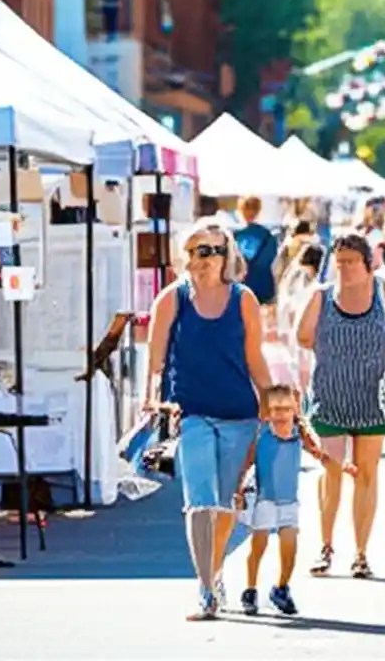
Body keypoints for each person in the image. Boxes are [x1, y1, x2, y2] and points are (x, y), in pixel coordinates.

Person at [145, 218, 274, 620]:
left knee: (226, 506)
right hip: (193, 412)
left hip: (239, 413)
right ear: (188, 254)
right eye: (204, 250)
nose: (212, 258)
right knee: (200, 503)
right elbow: (155, 361)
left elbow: (255, 357)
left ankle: (215, 569)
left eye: (220, 250)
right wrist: (150, 401)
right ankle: (205, 590)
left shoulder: (244, 299)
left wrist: (274, 402)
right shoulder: (172, 299)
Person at [295, 233, 385, 580]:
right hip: (330, 396)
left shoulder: (384, 294)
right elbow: (302, 337)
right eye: (340, 264)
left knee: (367, 472)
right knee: (333, 468)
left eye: (352, 262)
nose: (346, 269)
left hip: (374, 397)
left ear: (369, 264)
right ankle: (325, 547)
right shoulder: (322, 297)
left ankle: (361, 553)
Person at [236, 384, 357, 616]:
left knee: (290, 547)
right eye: (275, 410)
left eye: (285, 409)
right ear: (267, 412)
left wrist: (343, 465)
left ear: (295, 410)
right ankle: (250, 589)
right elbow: (247, 463)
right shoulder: (262, 435)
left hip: (289, 502)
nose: (280, 415)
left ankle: (281, 587)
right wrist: (238, 489)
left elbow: (322, 455)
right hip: (265, 500)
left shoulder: (299, 436)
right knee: (258, 546)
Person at [233, 196, 279, 306]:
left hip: (241, 287)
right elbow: (271, 261)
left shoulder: (235, 236)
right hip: (264, 287)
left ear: (241, 210)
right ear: (258, 211)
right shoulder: (268, 236)